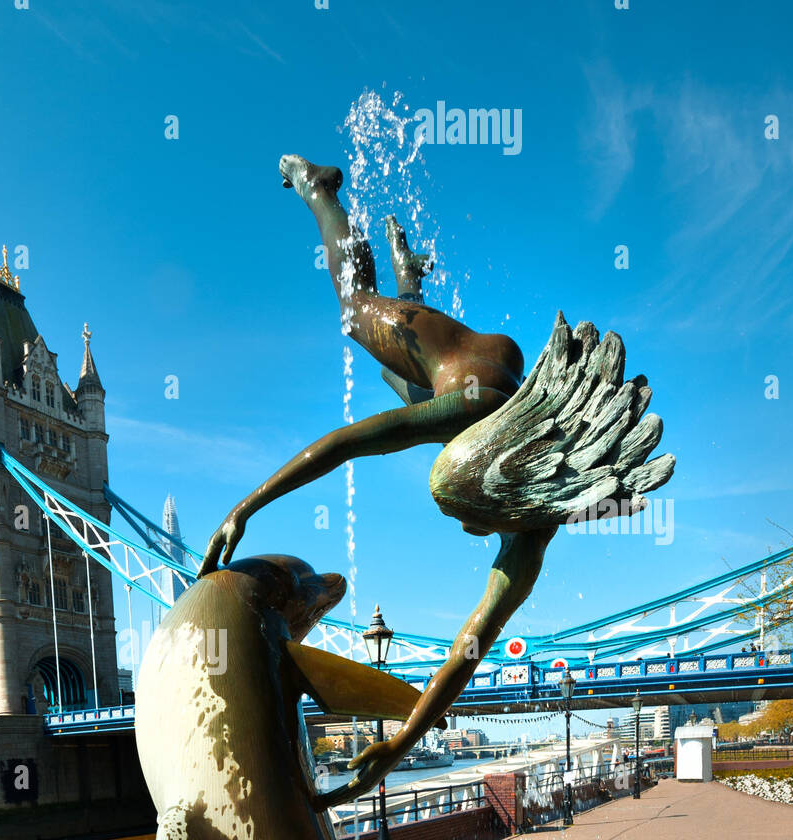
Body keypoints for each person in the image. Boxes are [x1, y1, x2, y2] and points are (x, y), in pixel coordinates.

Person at [199, 156, 673, 802]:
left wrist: (397, 746)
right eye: (463, 517)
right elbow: (347, 444)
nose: (467, 528)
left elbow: (463, 653)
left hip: (489, 385)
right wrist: (245, 508)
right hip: (469, 361)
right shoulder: (469, 406)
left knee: (396, 379)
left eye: (470, 518)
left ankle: (412, 278)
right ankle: (323, 190)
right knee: (353, 309)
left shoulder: (532, 536)